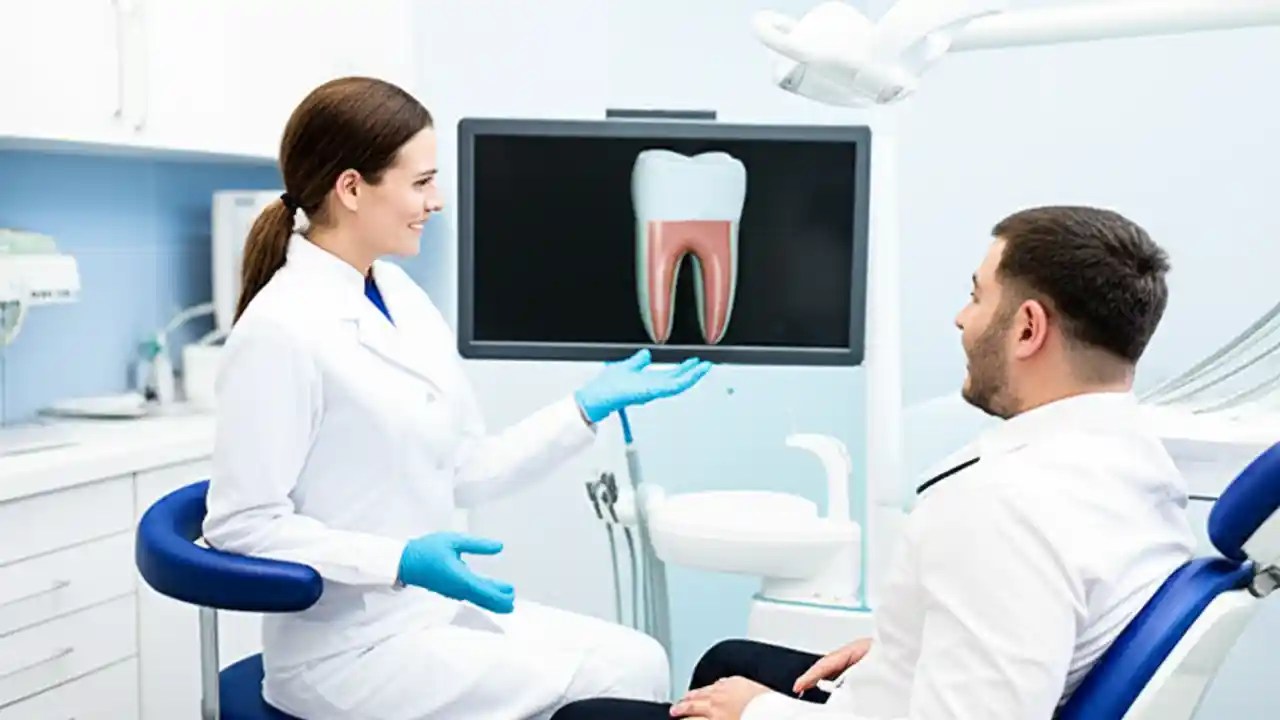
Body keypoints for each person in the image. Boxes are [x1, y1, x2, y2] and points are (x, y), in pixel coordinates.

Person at [551, 205, 1198, 719]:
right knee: (728, 660)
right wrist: (907, 646)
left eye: (977, 297)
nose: (961, 319)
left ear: (1028, 327)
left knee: (588, 717)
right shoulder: (1138, 463)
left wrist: (761, 714)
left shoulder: (1003, 507)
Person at [203, 76, 713, 720]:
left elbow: (469, 468)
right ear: (352, 188)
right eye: (420, 183)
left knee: (641, 659)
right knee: (608, 679)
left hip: (427, 619)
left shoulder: (398, 294)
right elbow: (240, 525)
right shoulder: (279, 330)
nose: (436, 201)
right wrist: (399, 561)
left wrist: (583, 407)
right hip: (343, 653)